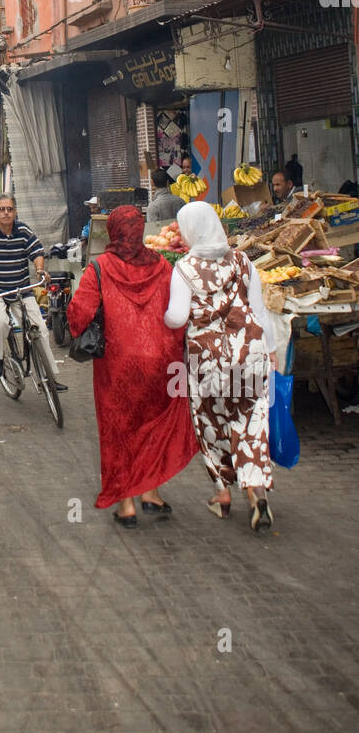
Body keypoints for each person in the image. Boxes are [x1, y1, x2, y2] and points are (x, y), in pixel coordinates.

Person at [66, 206, 197, 527]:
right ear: (139, 231)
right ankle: (150, 492)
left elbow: (78, 314)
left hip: (118, 366)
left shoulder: (100, 267)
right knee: (151, 425)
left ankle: (126, 505)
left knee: (118, 430)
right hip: (161, 362)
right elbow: (179, 312)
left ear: (113, 231)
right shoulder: (163, 266)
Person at [164, 200, 277, 530]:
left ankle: (222, 494)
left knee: (212, 422)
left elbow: (177, 317)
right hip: (249, 352)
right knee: (251, 422)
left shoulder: (184, 268)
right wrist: (270, 350)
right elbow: (259, 310)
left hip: (207, 360)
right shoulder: (243, 260)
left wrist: (163, 318)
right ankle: (257, 493)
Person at [0, 194, 65, 389]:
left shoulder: (23, 230)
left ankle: (50, 378)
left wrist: (39, 270)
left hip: (21, 289)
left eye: (10, 209)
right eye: (2, 209)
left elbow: (36, 252)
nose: (6, 213)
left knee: (40, 329)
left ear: (15, 211)